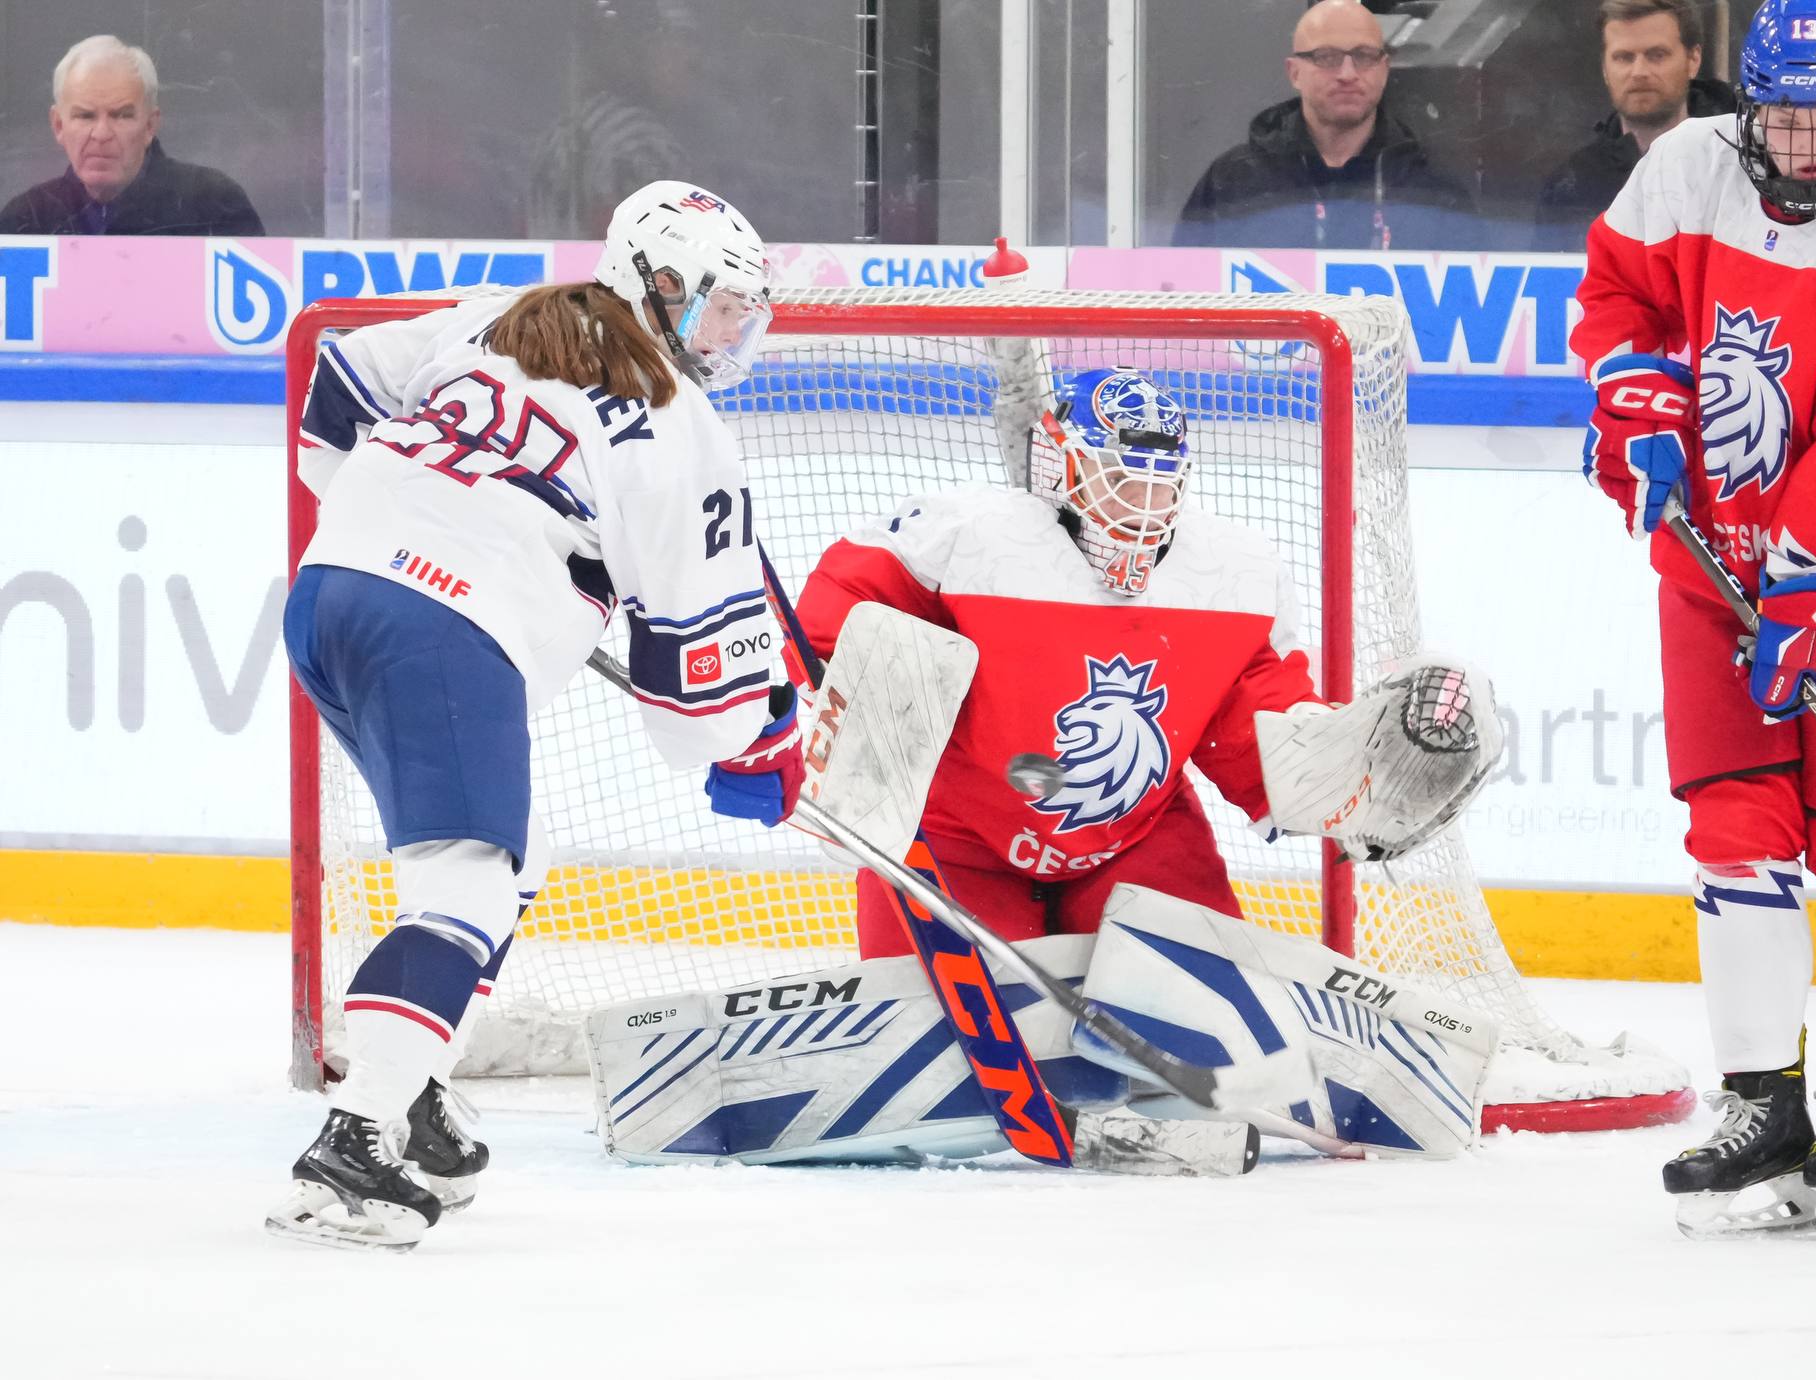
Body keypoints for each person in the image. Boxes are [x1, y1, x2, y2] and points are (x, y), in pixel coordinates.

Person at [266, 180, 802, 1252]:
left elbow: (335, 393)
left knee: (512, 861)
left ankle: (410, 1081)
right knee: (466, 882)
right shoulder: (676, 425)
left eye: (749, 310)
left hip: (326, 597)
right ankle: (354, 1138)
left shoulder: (496, 317)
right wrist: (751, 753)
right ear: (656, 286)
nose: (736, 331)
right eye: (720, 305)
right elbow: (694, 692)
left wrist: (420, 518)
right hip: (436, 626)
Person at [1573, 0, 1816, 1238]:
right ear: (1749, 104)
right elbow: (1617, 296)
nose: (1808, 145)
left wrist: (1811, 570)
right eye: (1787, 118)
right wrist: (1629, 390)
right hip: (1712, 569)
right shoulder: (1685, 166)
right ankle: (1760, 1105)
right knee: (1734, 832)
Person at [797, 367, 1332, 959]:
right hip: (951, 833)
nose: (1144, 508)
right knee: (940, 1030)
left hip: (1136, 837)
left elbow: (1254, 710)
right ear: (1064, 469)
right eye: (1122, 481)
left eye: (1162, 485)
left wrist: (1329, 774)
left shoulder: (1231, 574)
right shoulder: (966, 536)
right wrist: (853, 730)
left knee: (1204, 1006)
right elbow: (836, 614)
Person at [1172, 0, 1473, 250]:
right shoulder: (1235, 183)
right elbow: (1184, 304)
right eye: (1326, 57)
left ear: (1384, 69)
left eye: (1364, 56)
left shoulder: (1433, 192)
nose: (1347, 73)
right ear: (1294, 73)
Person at [0, 35, 263, 236]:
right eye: (85, 116)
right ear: (58, 125)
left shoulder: (214, 205)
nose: (101, 134)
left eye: (121, 116)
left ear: (150, 125)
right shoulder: (25, 221)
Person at [1533, 0, 1734, 252]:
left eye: (1657, 55)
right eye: (1624, 57)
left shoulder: (1745, 162)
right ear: (1605, 70)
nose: (1639, 71)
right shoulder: (1572, 188)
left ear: (1693, 59)